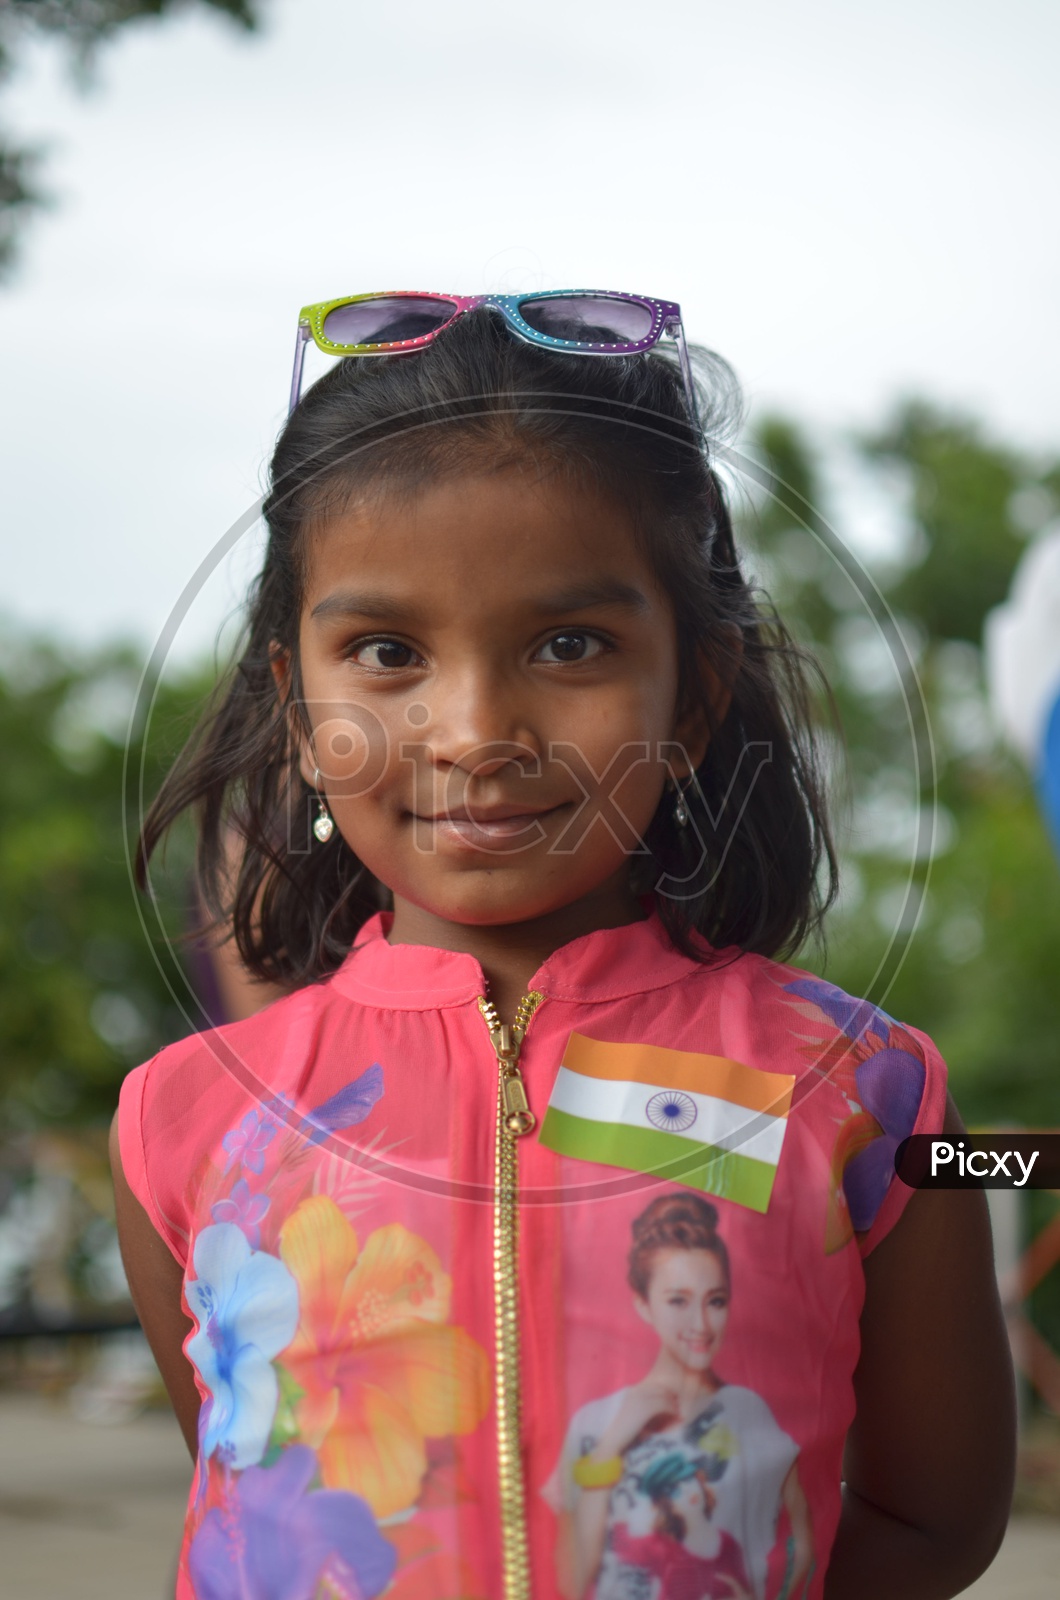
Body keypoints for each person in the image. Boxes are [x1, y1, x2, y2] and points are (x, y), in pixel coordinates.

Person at [110, 292, 1015, 1600]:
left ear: (693, 695)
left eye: (570, 643)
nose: (477, 727)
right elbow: (264, 1507)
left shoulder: (878, 1100)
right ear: (297, 708)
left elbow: (936, 1523)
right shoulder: (182, 1125)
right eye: (385, 650)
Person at [547, 1195, 809, 1599]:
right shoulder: (596, 1422)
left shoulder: (748, 1410)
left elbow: (803, 1545)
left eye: (716, 1301)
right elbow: (571, 1580)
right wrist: (614, 1442)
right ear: (643, 1304)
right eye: (678, 1301)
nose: (700, 1324)